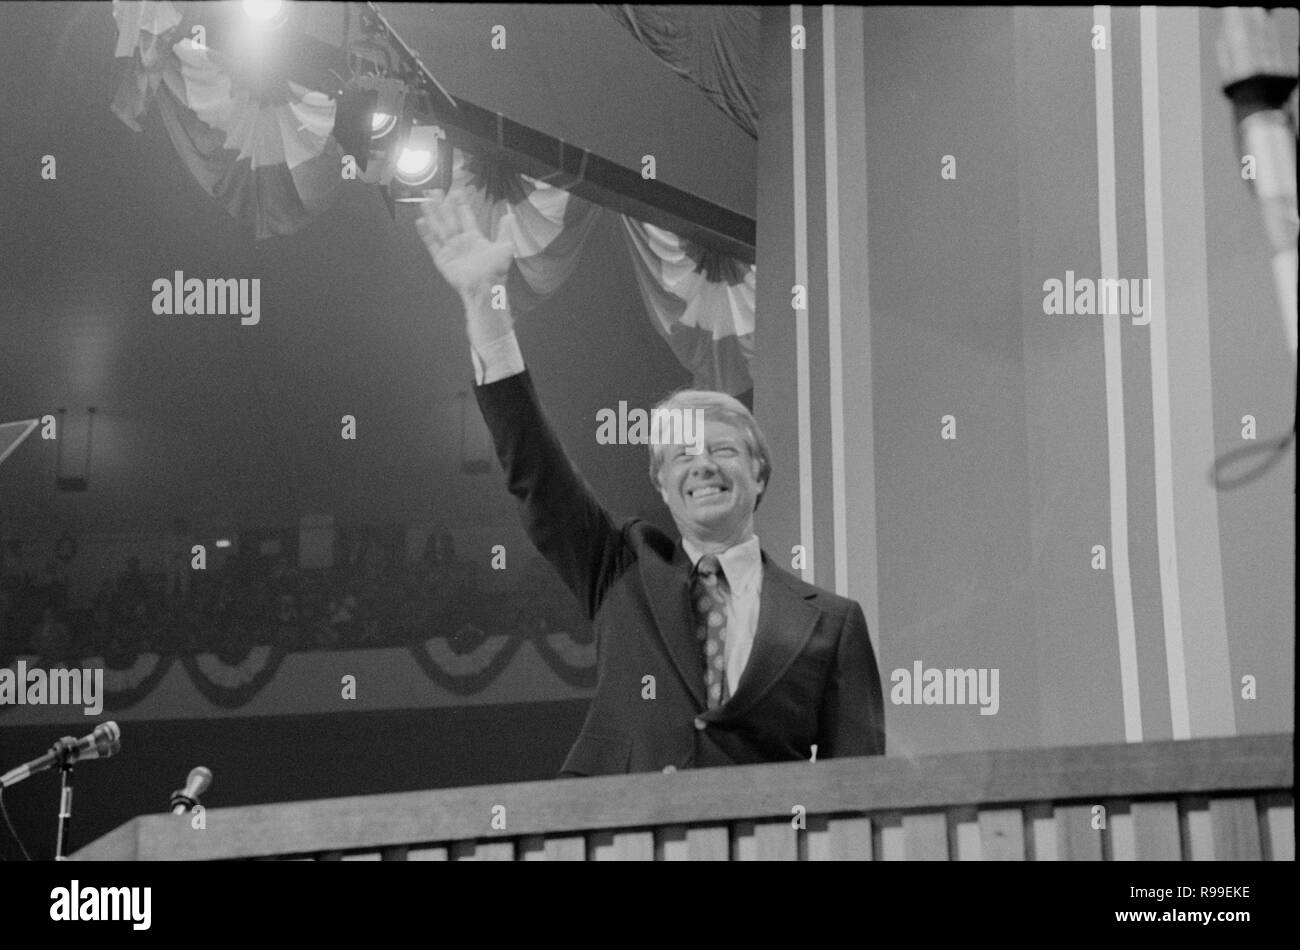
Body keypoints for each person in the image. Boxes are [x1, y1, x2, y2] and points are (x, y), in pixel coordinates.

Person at [417, 187, 885, 776]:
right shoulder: (622, 570)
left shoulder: (833, 624)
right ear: (662, 485)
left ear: (759, 473)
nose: (704, 465)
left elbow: (863, 791)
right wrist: (483, 302)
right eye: (682, 456)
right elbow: (535, 467)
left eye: (722, 449)